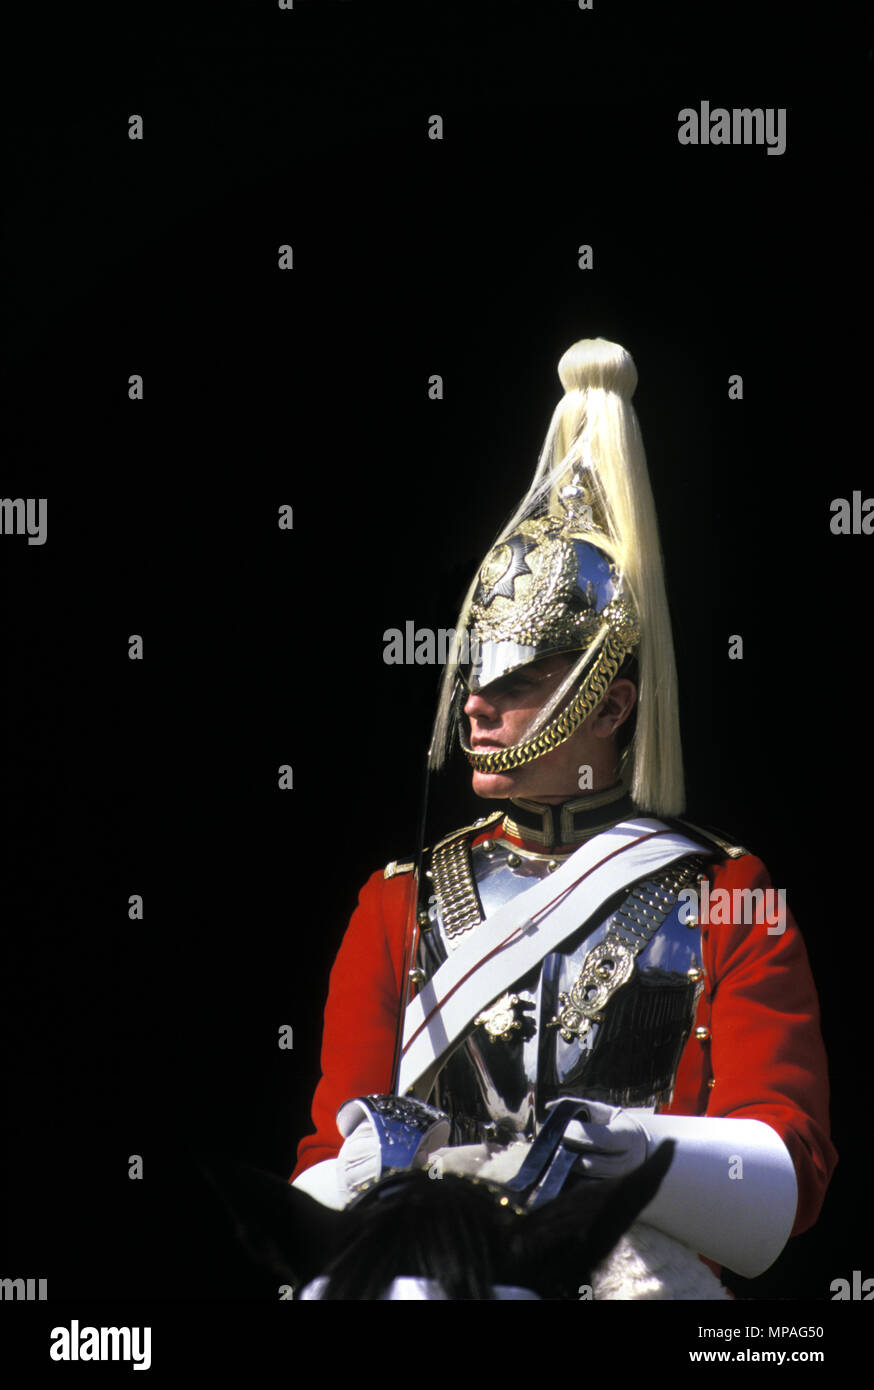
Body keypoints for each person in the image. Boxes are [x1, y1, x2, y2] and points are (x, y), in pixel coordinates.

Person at [289, 338, 837, 1295]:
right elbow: (327, 1146)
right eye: (475, 674)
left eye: (521, 679)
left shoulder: (728, 895)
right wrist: (360, 1166)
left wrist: (625, 1149)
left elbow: (785, 1174)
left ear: (613, 706)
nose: (476, 704)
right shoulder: (397, 904)